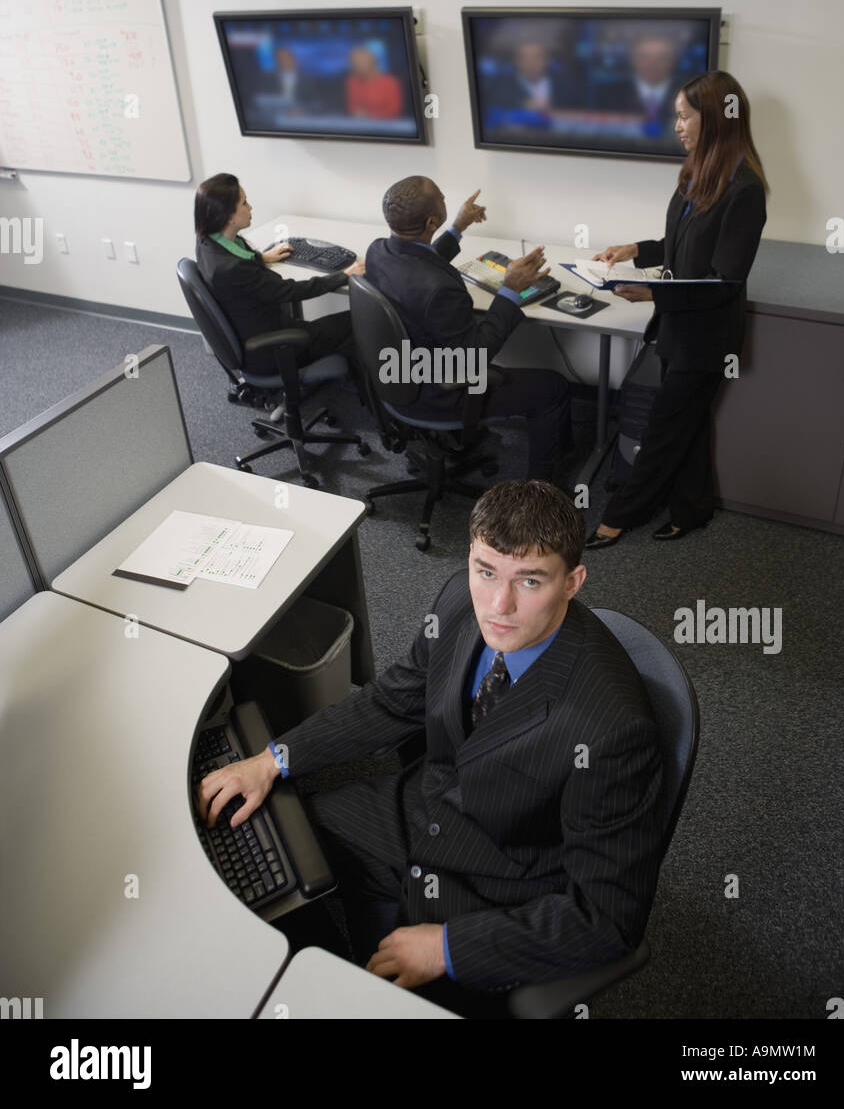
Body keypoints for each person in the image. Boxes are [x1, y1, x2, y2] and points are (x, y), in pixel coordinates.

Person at [198, 480, 664, 1011]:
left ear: (572, 582)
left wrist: (450, 949)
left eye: (529, 581)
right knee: (279, 842)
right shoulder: (458, 603)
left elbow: (607, 918)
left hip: (497, 883)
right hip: (419, 810)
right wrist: (271, 759)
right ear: (470, 558)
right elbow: (393, 701)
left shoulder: (613, 729)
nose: (498, 605)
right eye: (485, 571)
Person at [585, 69, 768, 548]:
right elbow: (681, 245)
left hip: (705, 337)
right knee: (689, 422)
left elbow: (725, 281)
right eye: (676, 118)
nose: (678, 127)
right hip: (675, 325)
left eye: (685, 117)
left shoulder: (744, 190)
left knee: (666, 426)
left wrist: (651, 294)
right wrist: (635, 251)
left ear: (717, 118)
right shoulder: (697, 171)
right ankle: (693, 510)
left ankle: (619, 516)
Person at [364, 175, 573, 481]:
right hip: (440, 393)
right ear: (431, 222)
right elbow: (474, 358)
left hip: (394, 377)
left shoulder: (378, 251)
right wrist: (510, 290)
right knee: (553, 388)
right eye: (443, 199)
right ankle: (541, 491)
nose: (447, 199)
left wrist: (457, 228)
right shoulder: (439, 291)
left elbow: (419, 262)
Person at [194, 173, 364, 379]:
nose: (251, 208)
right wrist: (344, 275)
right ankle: (372, 389)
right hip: (270, 350)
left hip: (252, 330)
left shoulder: (207, 242)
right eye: (244, 203)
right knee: (356, 321)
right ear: (227, 215)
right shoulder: (233, 270)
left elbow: (240, 272)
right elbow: (291, 291)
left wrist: (262, 258)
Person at [345, 45, 403, 119]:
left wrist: (370, 115)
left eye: (362, 62)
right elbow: (352, 107)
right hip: (360, 125)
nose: (358, 65)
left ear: (373, 62)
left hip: (387, 125)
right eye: (355, 62)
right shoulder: (352, 81)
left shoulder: (390, 82)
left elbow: (395, 110)